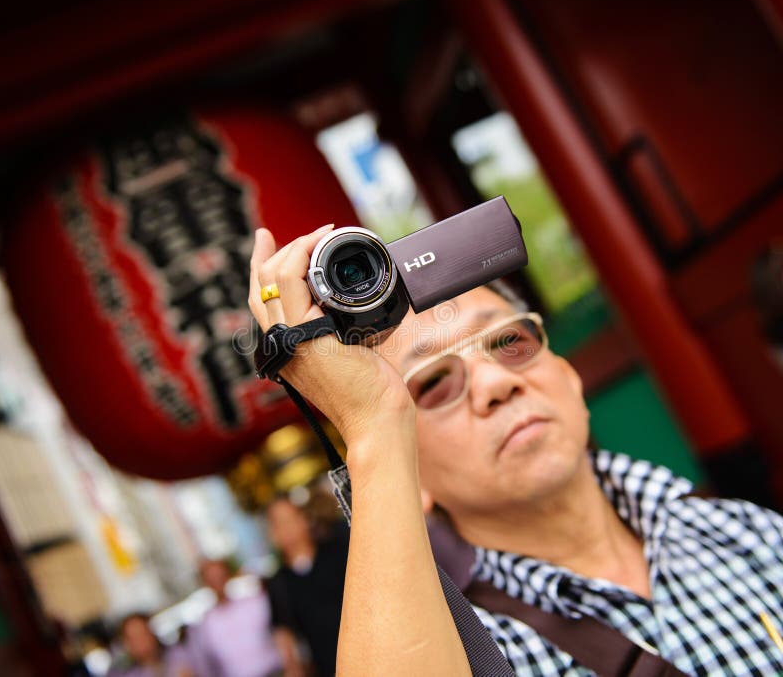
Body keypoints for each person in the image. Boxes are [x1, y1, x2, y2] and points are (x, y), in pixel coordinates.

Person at [248, 225, 783, 676]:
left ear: (568, 376)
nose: (495, 384)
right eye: (434, 383)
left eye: (511, 343)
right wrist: (371, 425)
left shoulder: (746, 532)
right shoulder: (466, 650)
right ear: (414, 481)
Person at [265, 495, 349, 676]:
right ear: (272, 534)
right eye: (278, 523)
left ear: (303, 519)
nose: (286, 528)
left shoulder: (339, 552)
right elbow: (284, 634)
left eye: (289, 519)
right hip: (329, 668)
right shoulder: (278, 584)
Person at [187, 558, 302, 677]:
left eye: (219, 575)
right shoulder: (205, 626)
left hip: (274, 671)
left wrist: (293, 666)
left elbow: (281, 632)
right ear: (205, 582)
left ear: (228, 575)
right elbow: (205, 665)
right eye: (211, 578)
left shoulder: (254, 603)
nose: (217, 581)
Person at [107, 613, 194, 677]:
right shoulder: (125, 674)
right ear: (127, 644)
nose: (142, 641)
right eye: (135, 638)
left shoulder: (178, 654)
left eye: (143, 633)